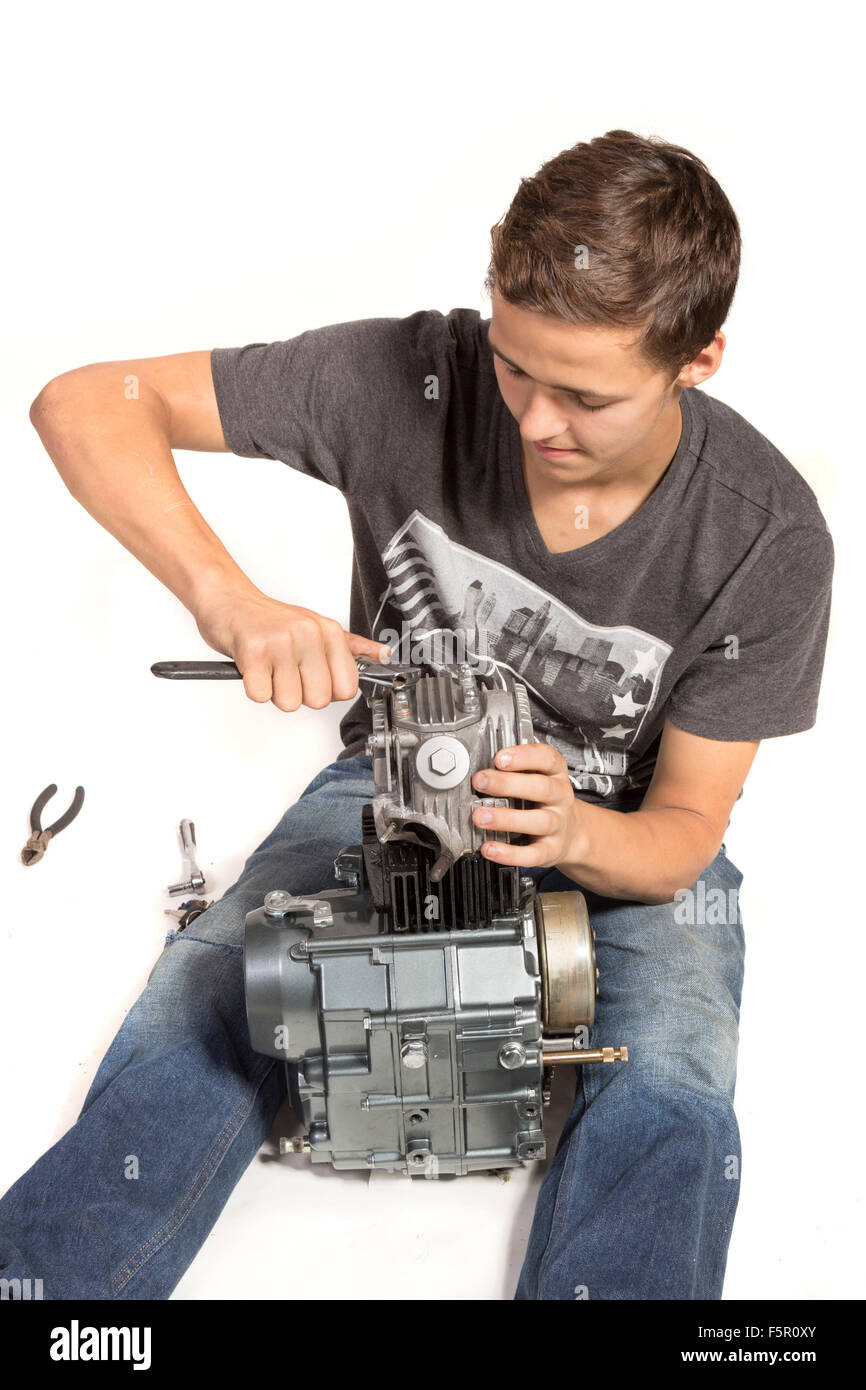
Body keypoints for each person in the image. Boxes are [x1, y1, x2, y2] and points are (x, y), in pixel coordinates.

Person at [0, 129, 833, 1300]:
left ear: (697, 359)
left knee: (672, 1082)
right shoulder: (408, 376)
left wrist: (578, 836)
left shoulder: (767, 534)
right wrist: (231, 603)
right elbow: (84, 402)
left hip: (625, 829)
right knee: (214, 997)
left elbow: (689, 821)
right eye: (515, 364)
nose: (536, 418)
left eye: (586, 393)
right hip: (391, 783)